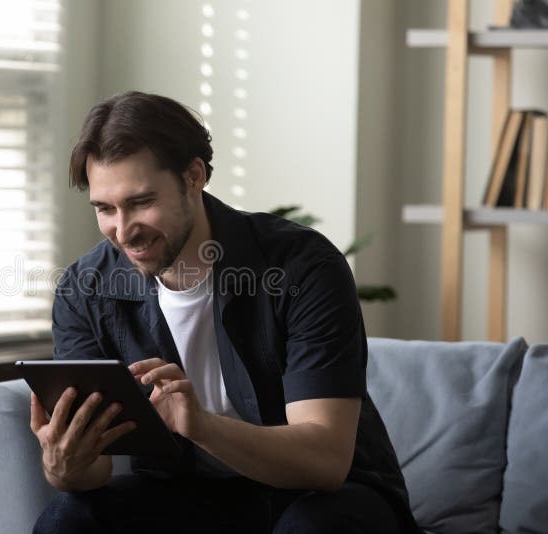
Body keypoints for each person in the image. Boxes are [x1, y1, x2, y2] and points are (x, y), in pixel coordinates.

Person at [30, 91, 420, 533]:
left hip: (323, 498)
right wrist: (64, 463)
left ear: (194, 177)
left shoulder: (301, 267)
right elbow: (93, 472)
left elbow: (325, 461)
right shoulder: (86, 289)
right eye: (105, 209)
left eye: (141, 203)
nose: (123, 231)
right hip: (189, 497)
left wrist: (199, 425)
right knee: (68, 518)